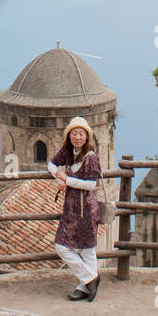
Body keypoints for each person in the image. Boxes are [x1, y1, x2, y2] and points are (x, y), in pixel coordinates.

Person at [48, 116, 102, 301]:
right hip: (71, 209)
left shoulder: (91, 157)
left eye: (81, 134)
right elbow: (52, 164)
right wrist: (57, 176)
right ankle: (91, 279)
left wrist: (66, 180)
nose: (78, 137)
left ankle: (85, 285)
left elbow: (91, 185)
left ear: (87, 136)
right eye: (74, 133)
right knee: (62, 246)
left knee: (87, 249)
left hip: (86, 209)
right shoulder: (68, 152)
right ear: (69, 136)